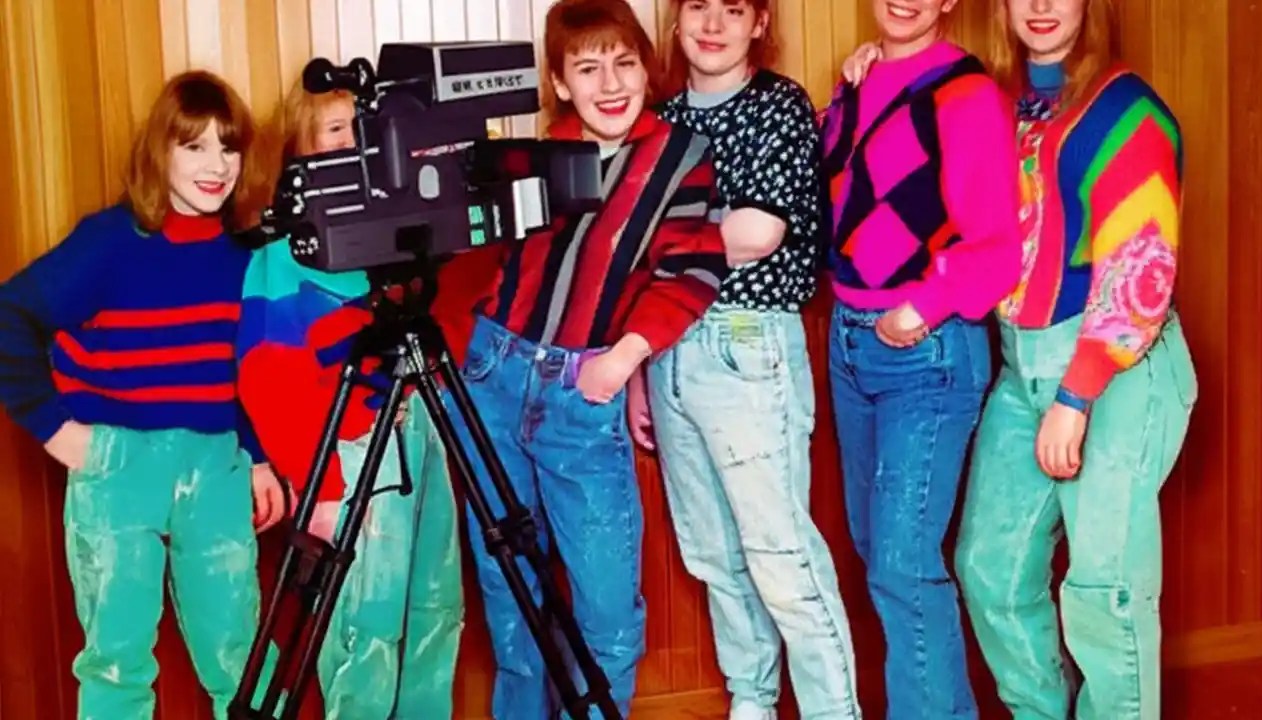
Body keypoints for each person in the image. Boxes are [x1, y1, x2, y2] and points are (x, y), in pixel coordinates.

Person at [442, 0, 729, 716]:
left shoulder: (680, 157)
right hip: (493, 378)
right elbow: (476, 259)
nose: (610, 83)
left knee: (605, 611)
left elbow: (691, 272)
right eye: (588, 67)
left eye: (625, 63)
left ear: (646, 68)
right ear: (560, 82)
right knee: (511, 599)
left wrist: (623, 359)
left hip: (583, 392)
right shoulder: (536, 153)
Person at [0, 70, 284, 720]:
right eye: (194, 146)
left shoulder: (245, 251)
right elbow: (9, 315)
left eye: (228, 147)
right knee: (117, 658)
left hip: (216, 464)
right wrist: (55, 430)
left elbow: (244, 369)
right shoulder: (108, 242)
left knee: (241, 654)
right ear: (161, 151)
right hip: (119, 464)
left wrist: (258, 455)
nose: (215, 165)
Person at [949, 1, 1195, 717]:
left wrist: (1076, 395)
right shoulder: (1002, 104)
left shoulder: (1128, 112)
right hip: (1018, 367)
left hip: (1115, 368)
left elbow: (1142, 266)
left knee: (1105, 592)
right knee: (989, 571)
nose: (1042, 5)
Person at [629, 1, 860, 718]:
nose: (713, 24)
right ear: (676, 19)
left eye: (734, 9)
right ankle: (751, 702)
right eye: (699, 6)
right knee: (714, 557)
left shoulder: (778, 105)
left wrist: (651, 233)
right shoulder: (659, 118)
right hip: (666, 349)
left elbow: (756, 232)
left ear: (759, 23)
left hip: (746, 341)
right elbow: (632, 267)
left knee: (781, 556)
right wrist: (638, 372)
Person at [235, 76, 464, 719]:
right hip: (351, 449)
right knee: (366, 619)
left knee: (434, 608)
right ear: (302, 157)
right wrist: (323, 491)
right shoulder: (282, 257)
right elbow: (269, 383)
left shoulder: (400, 243)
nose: (356, 147)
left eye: (368, 135)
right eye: (336, 133)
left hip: (419, 428)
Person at [819, 1, 1022, 718]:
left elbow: (998, 244)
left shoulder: (967, 93)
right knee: (881, 555)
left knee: (904, 569)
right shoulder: (854, 86)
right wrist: (846, 89)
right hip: (848, 341)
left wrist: (925, 306)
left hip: (925, 350)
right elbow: (848, 199)